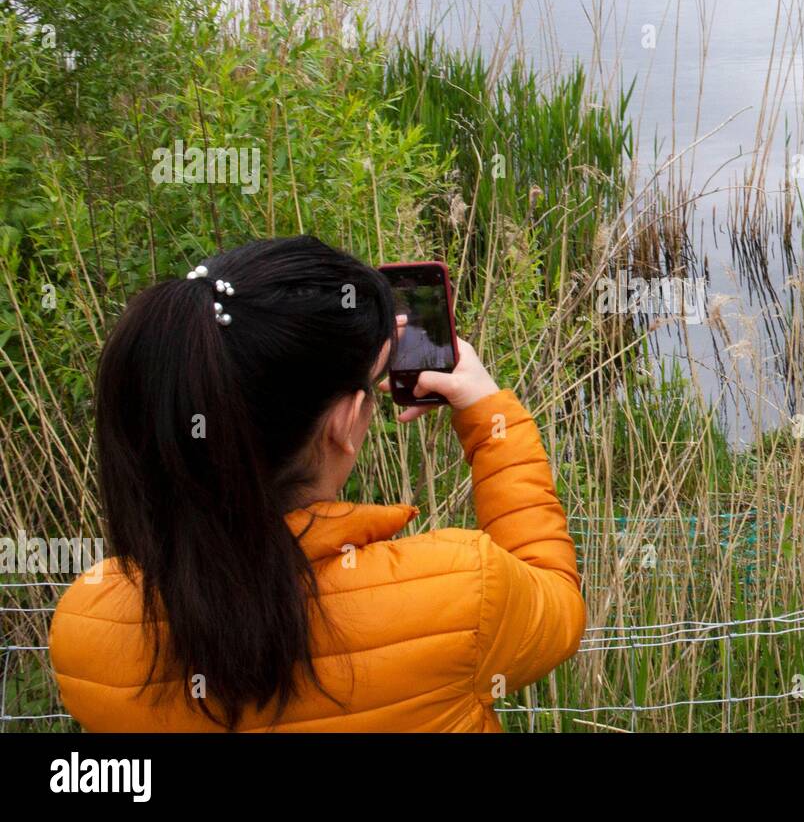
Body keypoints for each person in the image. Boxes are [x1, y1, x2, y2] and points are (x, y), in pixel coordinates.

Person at [49, 235, 585, 731]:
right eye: (371, 388)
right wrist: (489, 416)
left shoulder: (86, 630)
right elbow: (557, 603)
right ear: (344, 425)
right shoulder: (464, 593)